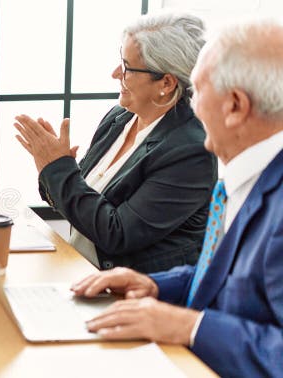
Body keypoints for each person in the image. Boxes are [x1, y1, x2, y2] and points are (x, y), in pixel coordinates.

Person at [73, 19, 283, 377]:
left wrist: (188, 326)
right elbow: (227, 282)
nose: (190, 106)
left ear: (235, 106)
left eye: (197, 92)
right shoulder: (244, 176)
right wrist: (157, 284)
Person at [14, 13, 217, 273]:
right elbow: (78, 200)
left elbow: (117, 234)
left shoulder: (190, 151)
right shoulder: (119, 117)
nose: (115, 73)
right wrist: (52, 167)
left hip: (134, 296)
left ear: (166, 82)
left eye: (127, 67)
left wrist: (57, 168)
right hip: (78, 271)